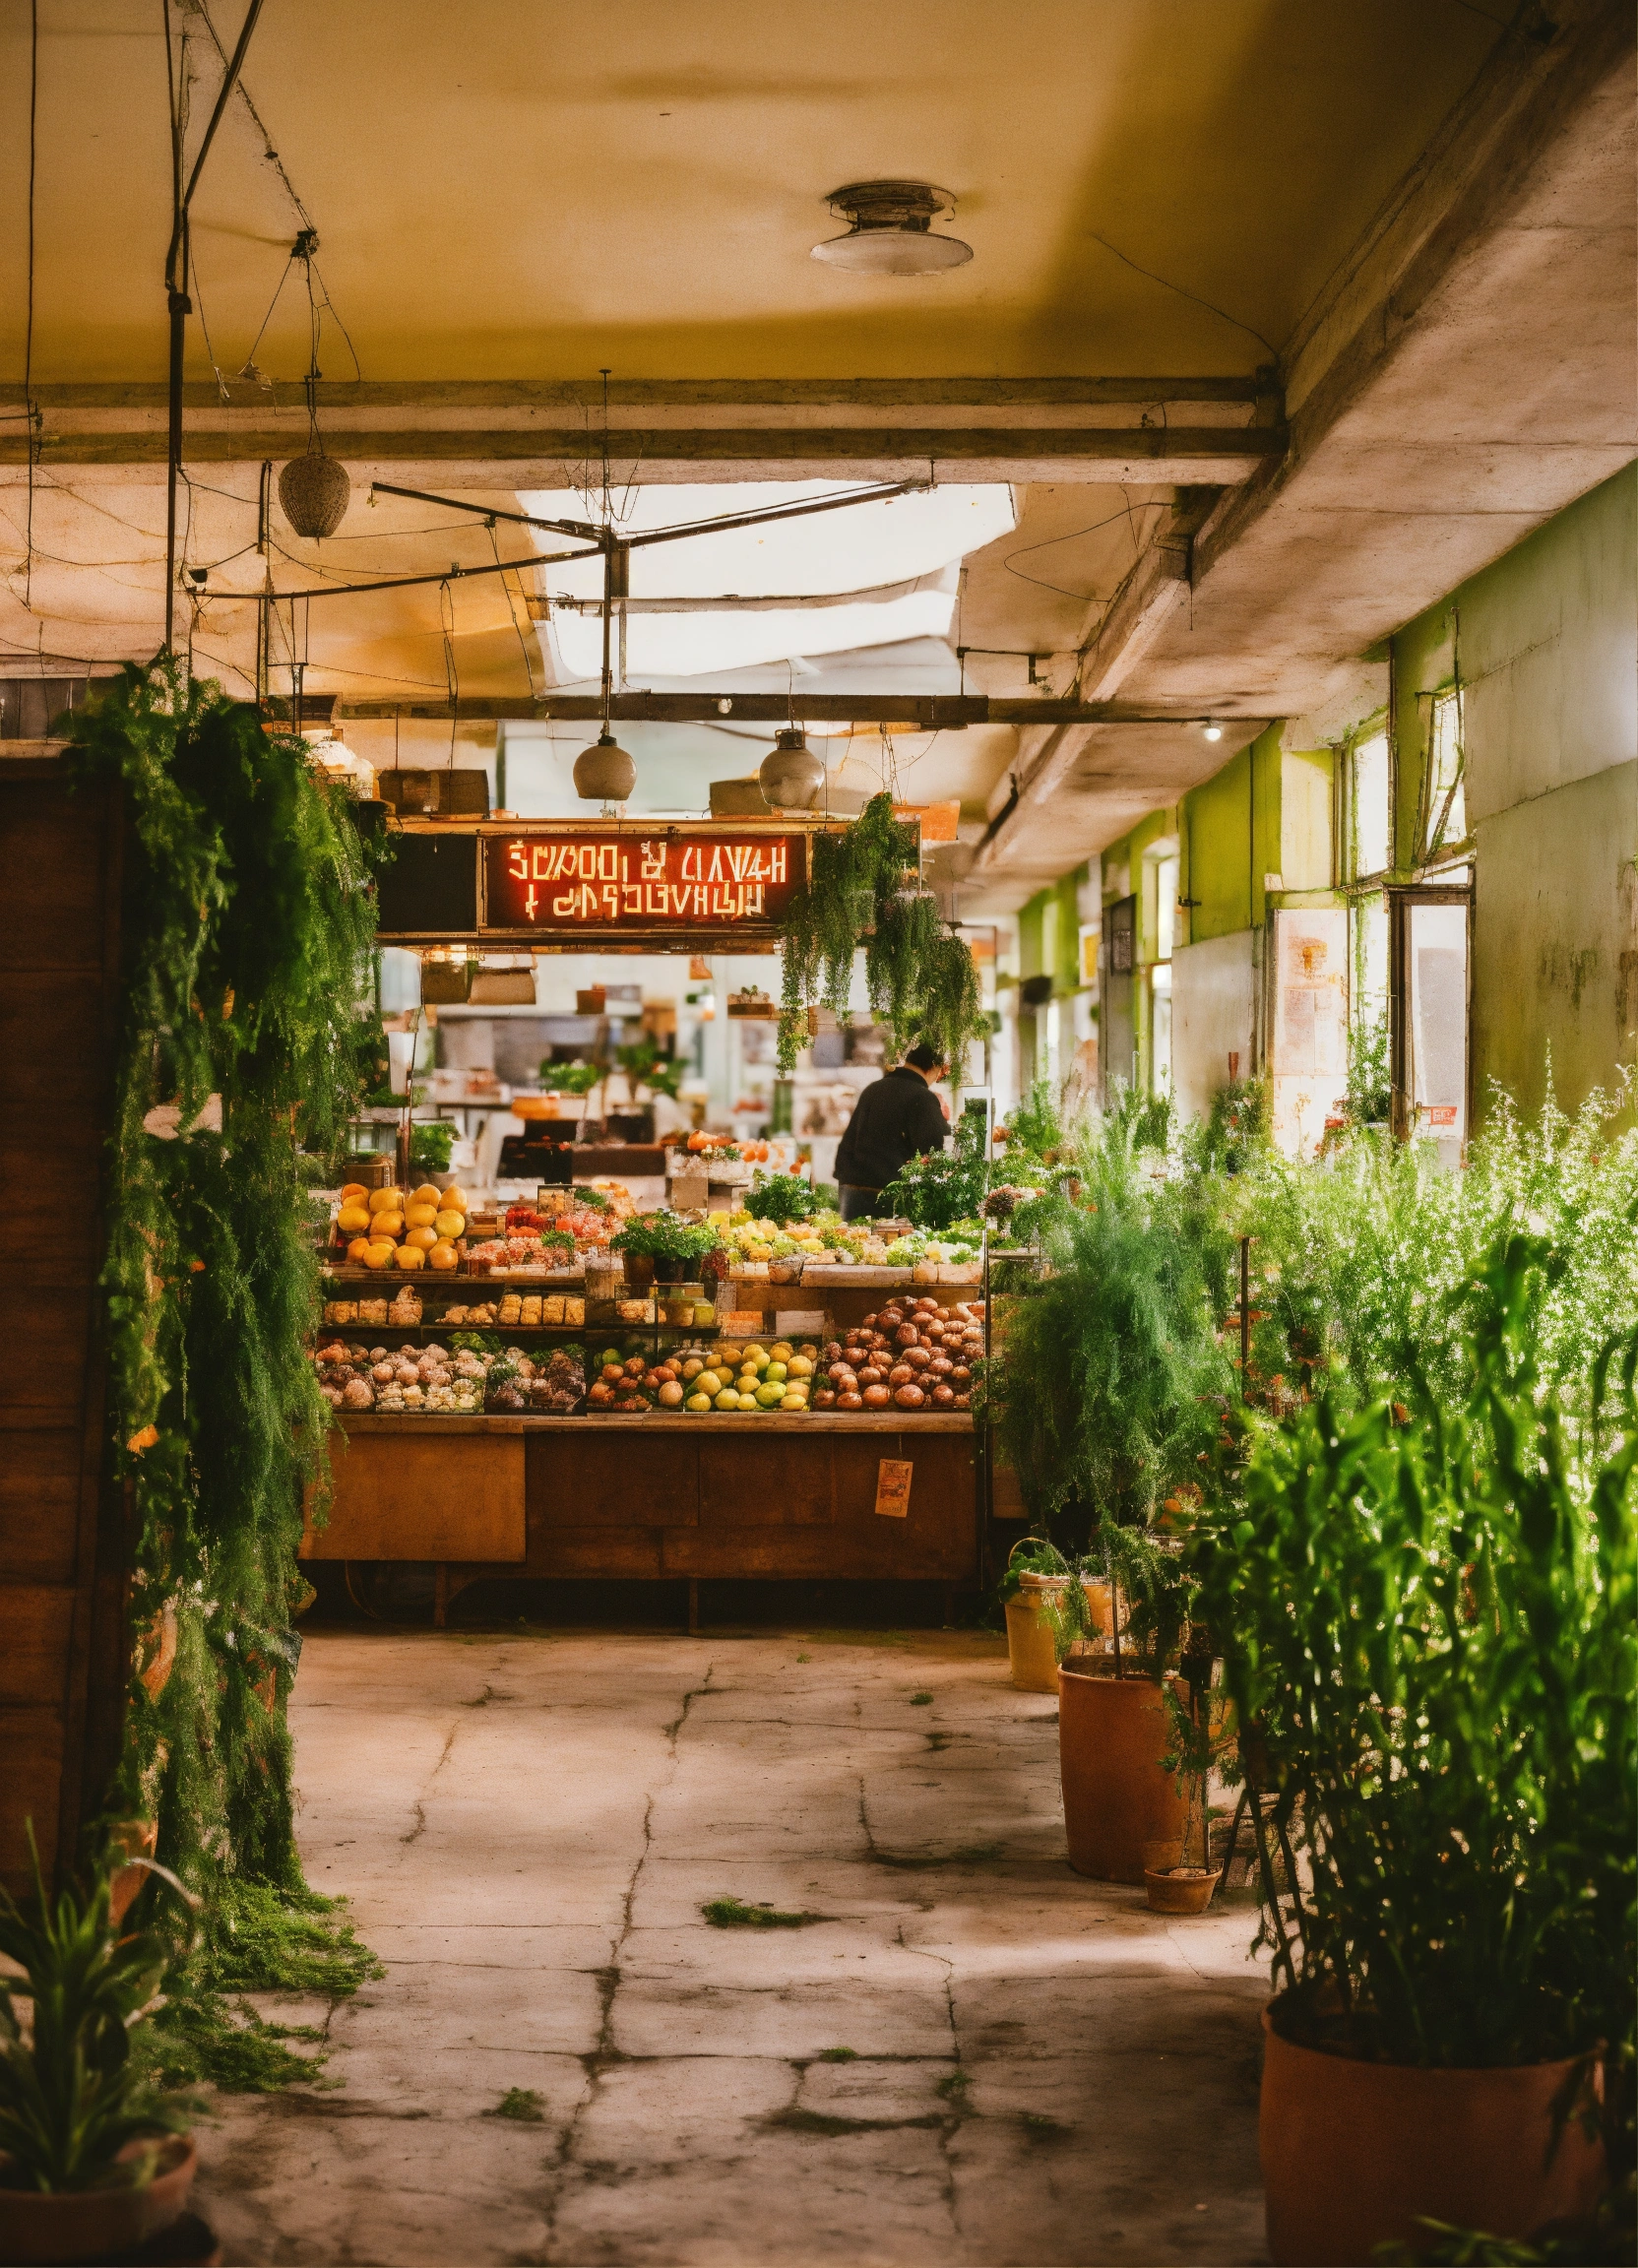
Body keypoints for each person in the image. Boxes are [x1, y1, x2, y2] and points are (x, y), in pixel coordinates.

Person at [833, 1043, 949, 1222]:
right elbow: (935, 1149)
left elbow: (849, 1143)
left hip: (852, 1192)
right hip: (888, 1198)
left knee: (857, 1245)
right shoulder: (922, 1096)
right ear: (935, 1067)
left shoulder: (874, 1089)